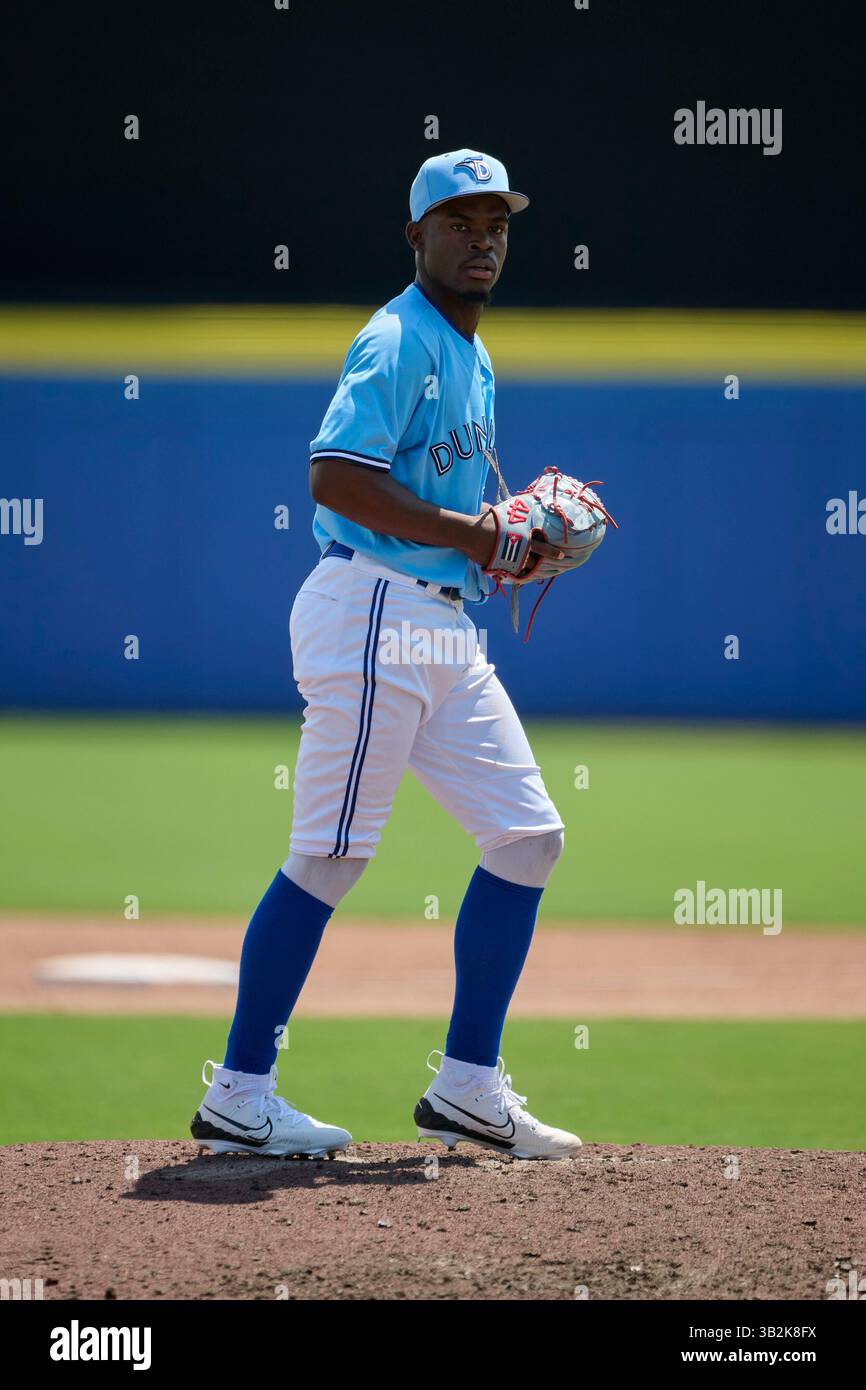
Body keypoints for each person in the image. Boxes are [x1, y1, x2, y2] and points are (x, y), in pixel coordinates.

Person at [190, 149, 582, 1161]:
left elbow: (439, 509)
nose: (482, 237)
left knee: (527, 838)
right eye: (459, 221)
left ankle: (466, 1087)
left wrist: (500, 541)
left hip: (438, 621)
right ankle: (239, 1090)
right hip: (370, 608)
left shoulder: (473, 352)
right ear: (416, 237)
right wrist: (473, 535)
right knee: (327, 854)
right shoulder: (398, 336)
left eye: (496, 221)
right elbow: (334, 476)